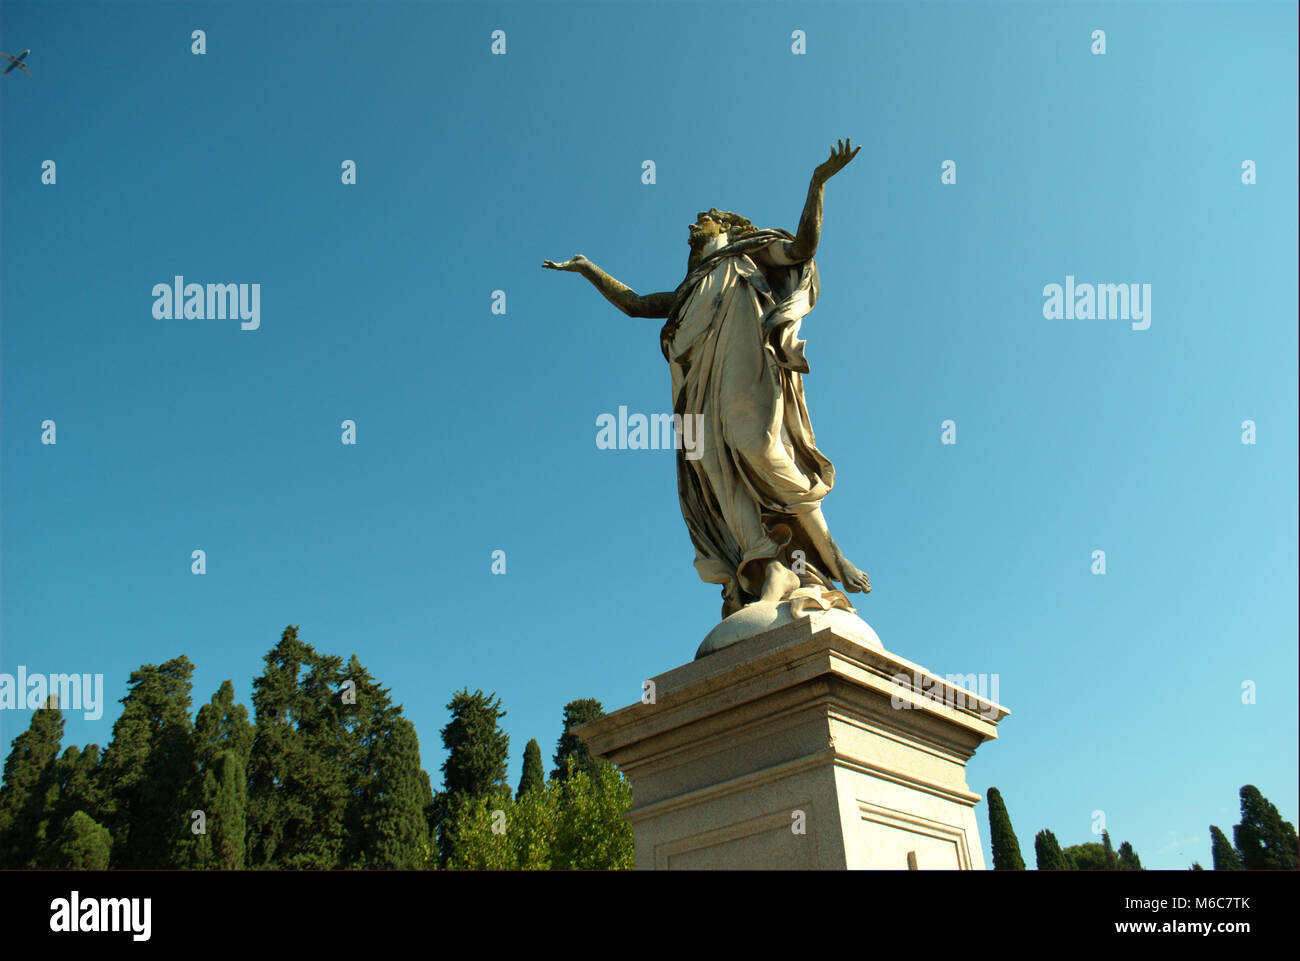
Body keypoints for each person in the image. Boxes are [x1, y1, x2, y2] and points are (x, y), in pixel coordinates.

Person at [544, 140, 870, 620]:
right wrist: (588, 268)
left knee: (760, 446)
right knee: (712, 475)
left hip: (743, 375)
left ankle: (829, 550)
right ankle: (764, 560)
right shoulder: (687, 291)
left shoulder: (749, 257)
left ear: (729, 227)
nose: (694, 228)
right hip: (696, 396)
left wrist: (817, 183)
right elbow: (635, 304)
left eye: (705, 221)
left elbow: (803, 248)